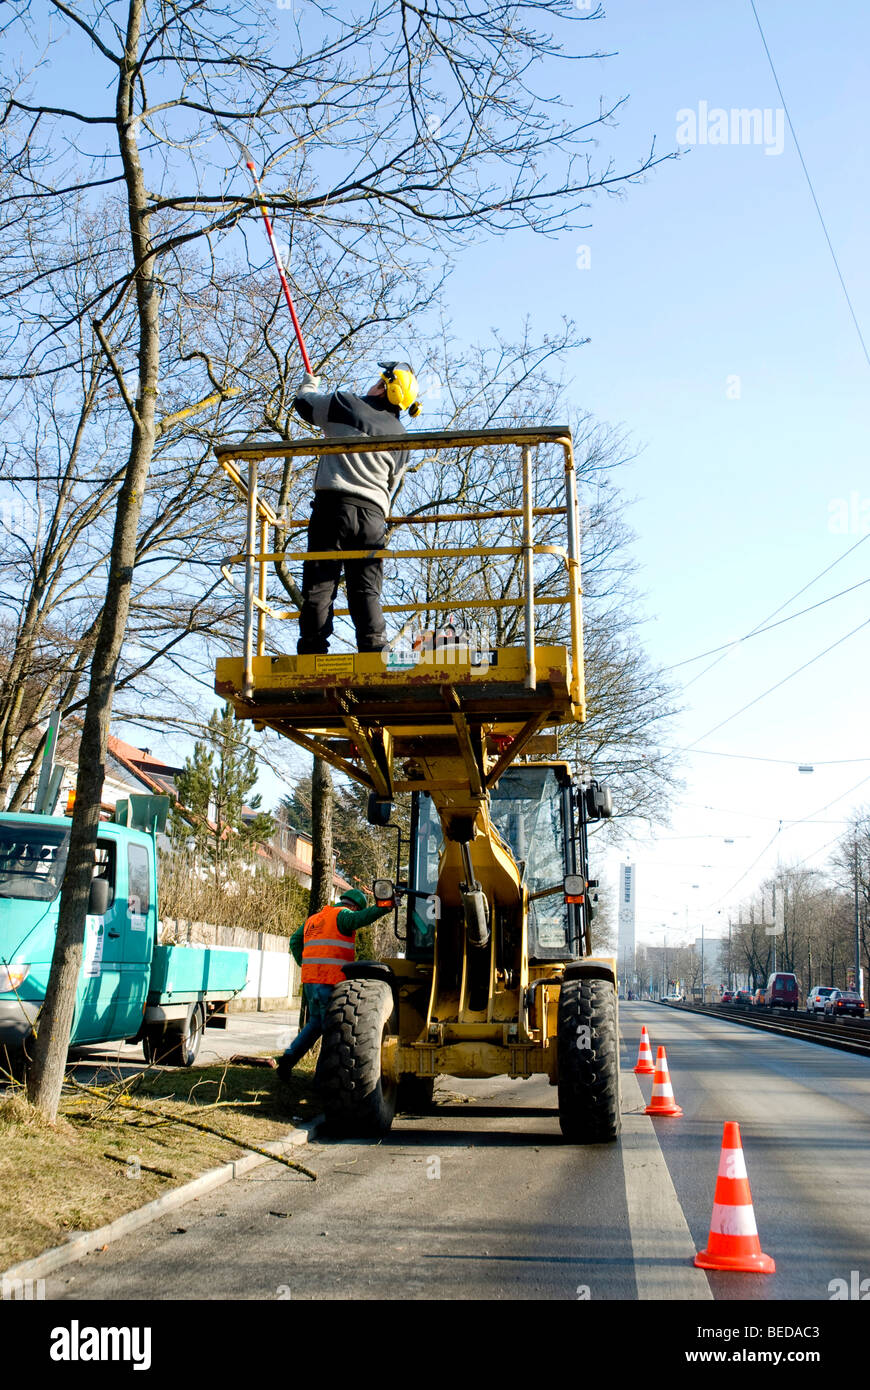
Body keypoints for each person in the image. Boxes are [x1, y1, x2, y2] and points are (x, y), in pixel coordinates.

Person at [293, 360, 420, 655]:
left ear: (382, 388)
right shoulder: (402, 438)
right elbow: (392, 483)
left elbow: (304, 405)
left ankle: (312, 649)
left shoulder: (345, 404)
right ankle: (374, 648)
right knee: (366, 590)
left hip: (332, 508)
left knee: (320, 585)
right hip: (373, 516)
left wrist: (310, 382)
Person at [277, 886, 396, 1081]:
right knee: (333, 1029)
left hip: (310, 982)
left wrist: (305, 963)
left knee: (315, 1024)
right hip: (329, 982)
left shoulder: (315, 919)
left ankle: (288, 1059)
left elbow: (295, 941)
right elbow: (362, 918)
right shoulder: (344, 916)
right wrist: (386, 906)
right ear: (355, 906)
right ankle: (323, 1078)